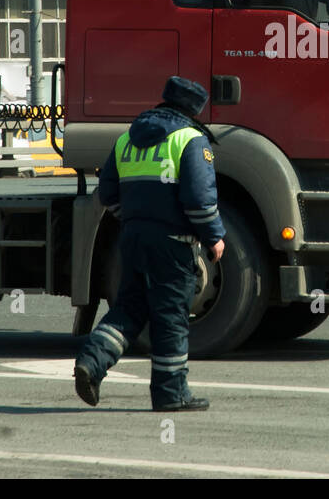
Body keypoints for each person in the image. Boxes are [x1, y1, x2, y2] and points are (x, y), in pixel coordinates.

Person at [74, 76, 226, 412]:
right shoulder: (190, 139)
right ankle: (171, 394)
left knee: (130, 307)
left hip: (132, 237)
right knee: (170, 315)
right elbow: (200, 201)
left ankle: (91, 360)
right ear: (193, 110)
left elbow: (108, 191)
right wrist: (214, 237)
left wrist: (131, 219)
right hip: (172, 244)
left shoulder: (128, 137)